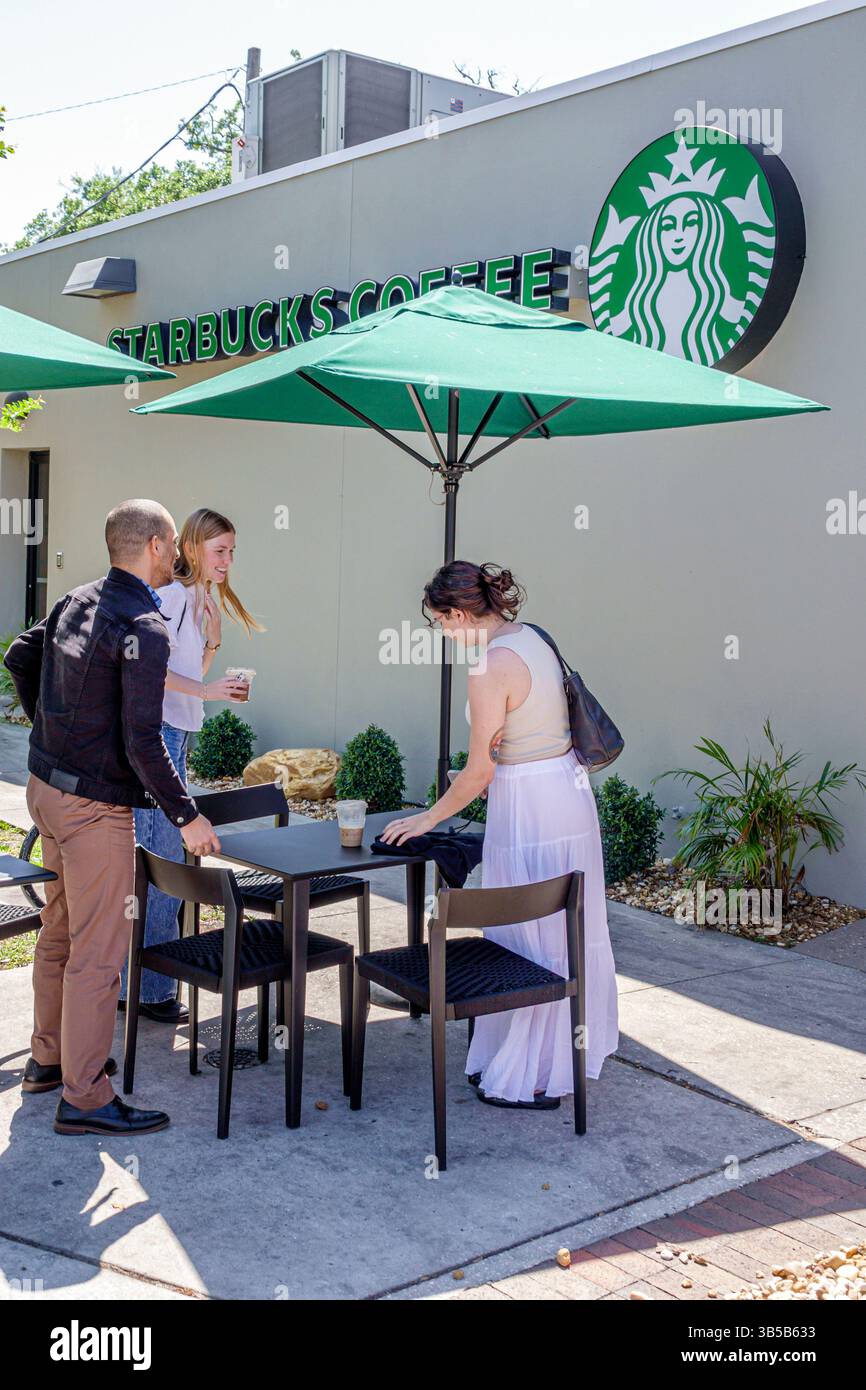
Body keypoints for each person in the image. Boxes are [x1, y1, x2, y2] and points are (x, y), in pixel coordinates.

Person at [3, 499, 221, 1137]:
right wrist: (186, 817)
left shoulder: (77, 597)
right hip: (93, 808)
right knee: (98, 956)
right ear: (156, 545)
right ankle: (87, 1096)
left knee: (59, 931)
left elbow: (20, 655)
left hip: (44, 788)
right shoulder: (147, 627)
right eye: (171, 542)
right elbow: (143, 742)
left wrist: (50, 727)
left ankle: (46, 1062)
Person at [381, 560, 618, 1109]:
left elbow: (480, 769)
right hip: (566, 794)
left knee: (524, 930)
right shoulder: (535, 637)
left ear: (461, 614)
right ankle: (544, 1059)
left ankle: (530, 1074)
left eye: (441, 622)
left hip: (531, 808)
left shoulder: (489, 666)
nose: (442, 633)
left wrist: (427, 817)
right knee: (559, 929)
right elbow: (531, 735)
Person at [118, 506, 261, 1021]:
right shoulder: (173, 596)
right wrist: (205, 688)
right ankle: (150, 991)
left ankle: (130, 983)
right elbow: (149, 672)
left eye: (232, 551)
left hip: (177, 733)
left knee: (161, 859)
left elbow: (188, 667)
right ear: (194, 548)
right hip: (159, 735)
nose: (228, 560)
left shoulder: (197, 601)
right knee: (164, 863)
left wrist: (214, 637)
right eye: (220, 550)